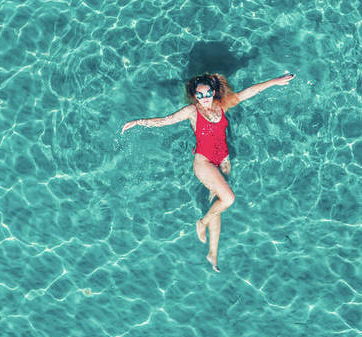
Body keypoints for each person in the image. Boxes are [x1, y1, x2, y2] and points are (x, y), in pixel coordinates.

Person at [121, 71, 295, 271]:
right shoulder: (192, 112)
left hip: (223, 162)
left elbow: (250, 92)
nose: (204, 98)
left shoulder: (222, 105)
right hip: (204, 163)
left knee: (218, 206)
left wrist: (275, 81)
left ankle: (213, 253)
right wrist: (137, 122)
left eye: (208, 93)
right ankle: (201, 223)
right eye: (200, 95)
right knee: (228, 199)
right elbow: (164, 120)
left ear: (213, 92)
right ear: (195, 96)